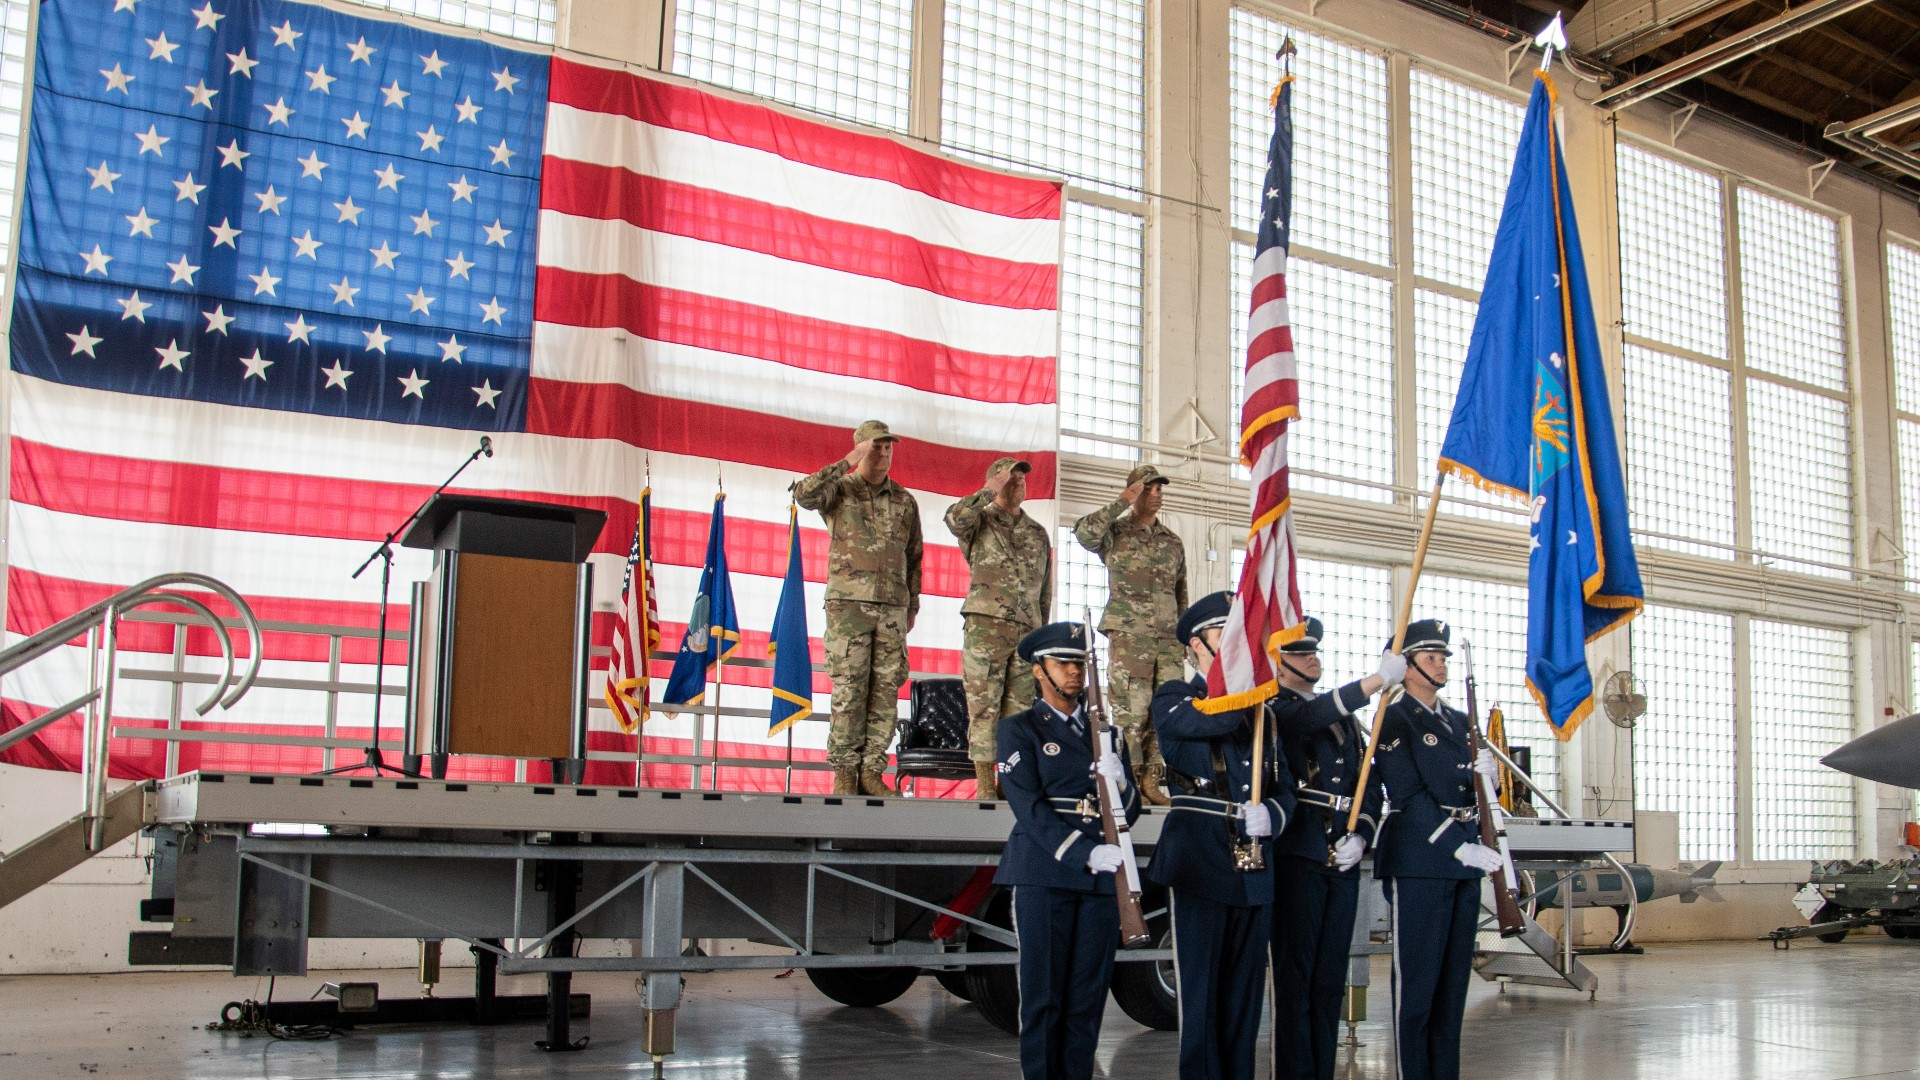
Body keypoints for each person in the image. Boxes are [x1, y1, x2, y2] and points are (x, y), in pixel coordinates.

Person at [1149, 591, 1294, 1080]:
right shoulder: (1174, 697)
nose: (1240, 646)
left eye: (1244, 636)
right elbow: (1221, 716)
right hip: (1201, 859)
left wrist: (1272, 815)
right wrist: (1252, 685)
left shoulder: (1264, 716)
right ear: (1196, 646)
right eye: (1225, 636)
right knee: (1203, 996)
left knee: (1244, 1001)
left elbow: (1285, 791)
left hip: (1253, 863)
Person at [994, 621, 1140, 1080]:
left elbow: (1129, 812)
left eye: (1081, 664)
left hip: (1101, 879)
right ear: (1039, 671)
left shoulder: (1108, 733)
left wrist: (1119, 782)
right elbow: (1027, 806)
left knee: (1087, 998)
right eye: (1064, 663)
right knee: (1043, 998)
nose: (1076, 673)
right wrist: (1082, 852)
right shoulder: (1019, 729)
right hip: (1046, 872)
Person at [1265, 617, 1403, 1080]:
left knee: (1328, 981)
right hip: (1300, 852)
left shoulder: (1346, 720)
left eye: (1314, 651)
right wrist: (1376, 680)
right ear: (1278, 663)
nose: (1312, 657)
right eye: (1301, 652)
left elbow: (1370, 785)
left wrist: (1362, 832)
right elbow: (1309, 717)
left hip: (1340, 855)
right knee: (1296, 978)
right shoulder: (1275, 708)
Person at [1371, 619, 1504, 1080]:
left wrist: (1491, 779)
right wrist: (1456, 847)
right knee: (1418, 990)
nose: (1441, 664)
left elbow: (1480, 795)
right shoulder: (1393, 717)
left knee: (1452, 992)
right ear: (1406, 668)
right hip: (1422, 860)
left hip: (1464, 861)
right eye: (1431, 658)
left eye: (1443, 657)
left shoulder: (1460, 720)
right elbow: (1406, 794)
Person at [794, 420, 924, 796]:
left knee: (884, 690)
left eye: (888, 447)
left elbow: (914, 555)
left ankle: (871, 770)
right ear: (861, 448)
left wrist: (912, 603)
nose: (883, 453)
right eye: (876, 446)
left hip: (892, 608)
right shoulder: (840, 490)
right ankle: (845, 773)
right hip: (849, 607)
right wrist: (846, 461)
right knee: (850, 689)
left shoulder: (904, 500)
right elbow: (805, 494)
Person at [1073, 463, 1187, 805]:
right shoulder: (1115, 532)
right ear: (1135, 491)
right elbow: (1084, 534)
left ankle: (1153, 780)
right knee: (1131, 712)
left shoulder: (1173, 542)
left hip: (1168, 638)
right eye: (1148, 488)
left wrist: (1185, 638)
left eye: (1159, 489)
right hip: (1130, 635)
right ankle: (1130, 781)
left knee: (1165, 711)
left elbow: (1180, 592)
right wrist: (1122, 501)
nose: (1156, 494)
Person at [946, 457, 1052, 799]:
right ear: (995, 481)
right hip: (986, 627)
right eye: (1011, 477)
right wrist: (988, 491)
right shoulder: (979, 521)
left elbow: (1044, 589)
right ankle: (983, 784)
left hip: (1026, 631)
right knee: (984, 705)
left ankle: (1010, 780)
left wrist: (1042, 635)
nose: (1019, 482)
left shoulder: (1037, 532)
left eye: (1022, 477)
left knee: (1019, 711)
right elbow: (954, 519)